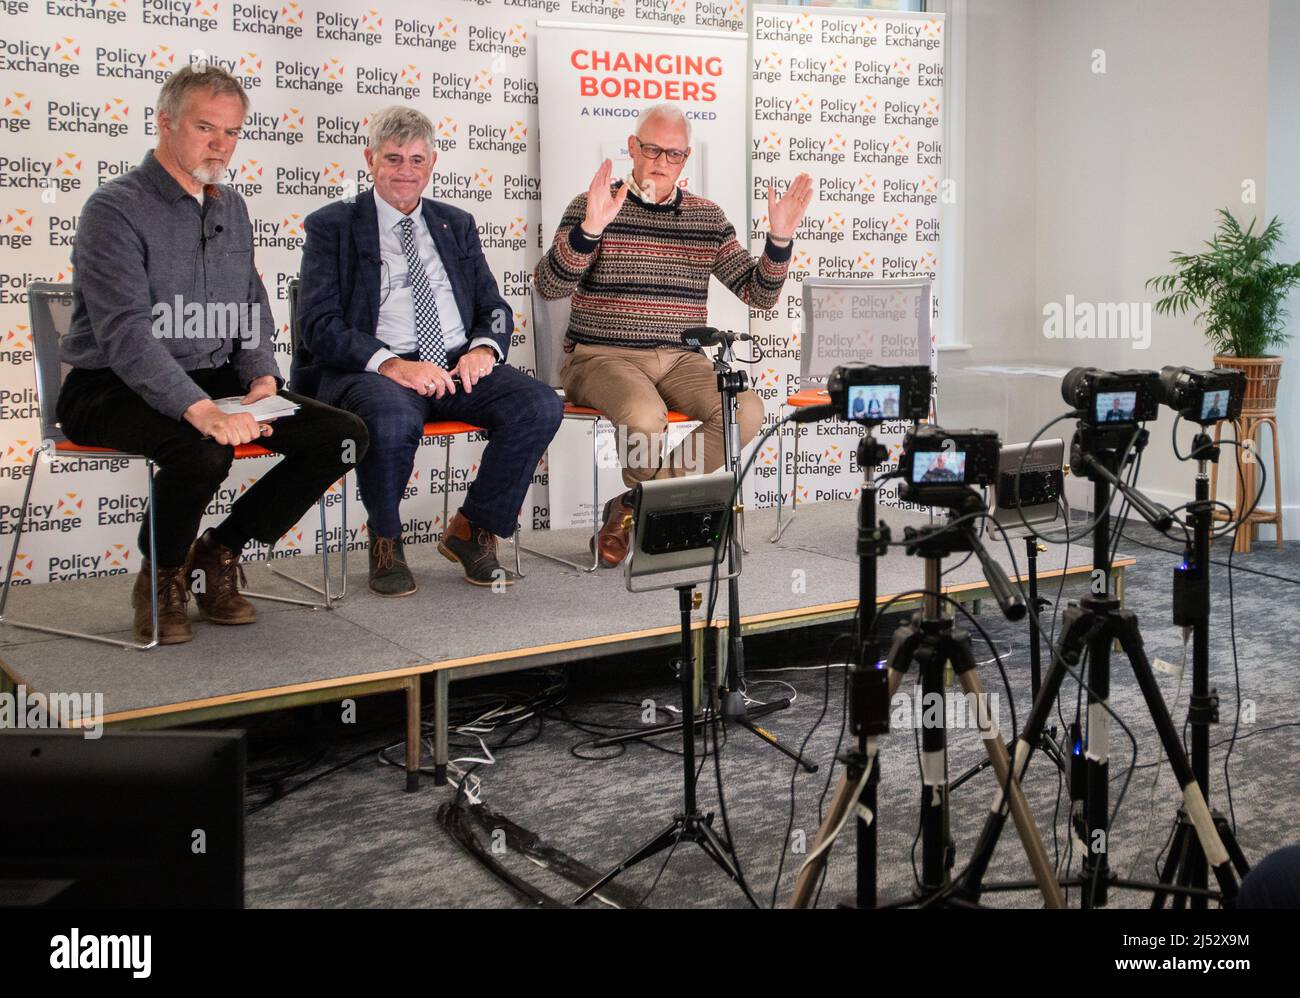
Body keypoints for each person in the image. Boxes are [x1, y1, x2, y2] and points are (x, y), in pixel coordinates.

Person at [57, 66, 368, 645]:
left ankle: (218, 552)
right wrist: (199, 409)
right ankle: (163, 575)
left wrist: (260, 376)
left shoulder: (233, 207)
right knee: (202, 450)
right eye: (206, 127)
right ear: (165, 121)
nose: (220, 144)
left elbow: (250, 303)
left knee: (342, 435)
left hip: (211, 374)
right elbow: (125, 332)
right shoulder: (114, 209)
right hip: (108, 383)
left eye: (231, 132)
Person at [295, 106, 563, 594]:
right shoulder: (332, 225)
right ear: (370, 158)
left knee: (538, 404)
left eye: (417, 160)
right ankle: (387, 540)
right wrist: (393, 364)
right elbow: (318, 325)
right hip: (377, 370)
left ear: (433, 162)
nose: (405, 171)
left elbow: (494, 307)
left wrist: (483, 349)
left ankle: (473, 529)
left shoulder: (455, 223)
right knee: (392, 420)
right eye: (393, 158)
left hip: (455, 363)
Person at [535, 103, 813, 566]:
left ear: (685, 160)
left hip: (682, 360)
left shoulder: (705, 218)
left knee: (744, 410)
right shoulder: (594, 205)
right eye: (651, 149)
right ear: (632, 148)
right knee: (645, 418)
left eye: (674, 154)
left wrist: (779, 240)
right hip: (602, 356)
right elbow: (549, 285)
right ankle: (656, 510)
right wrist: (589, 230)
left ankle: (634, 505)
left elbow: (758, 294)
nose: (661, 162)